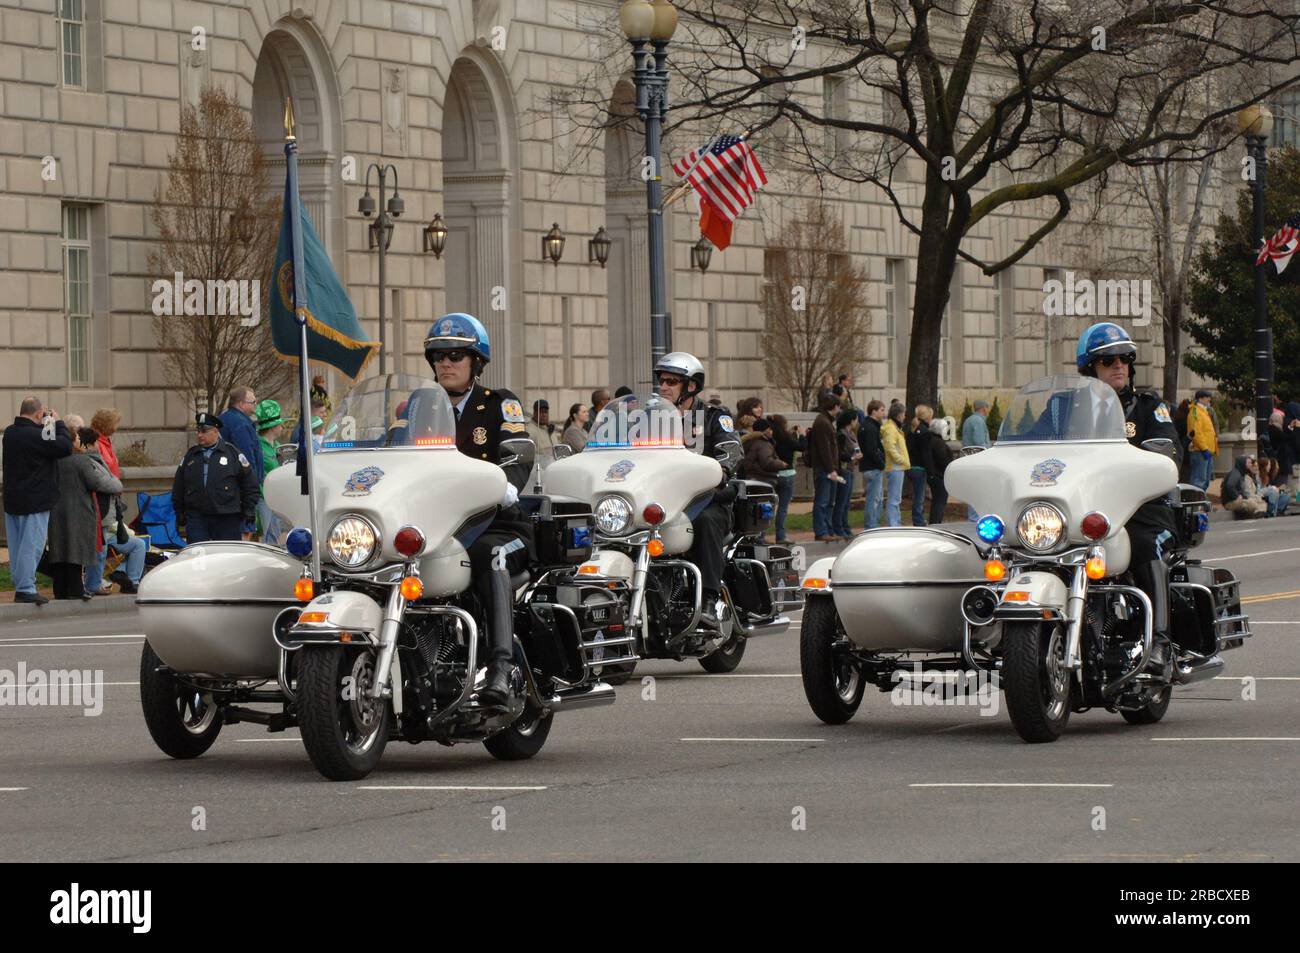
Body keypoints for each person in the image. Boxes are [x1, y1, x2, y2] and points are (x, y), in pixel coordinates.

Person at [424, 312, 535, 707]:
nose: (446, 363)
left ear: (477, 362)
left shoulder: (498, 403)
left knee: (491, 559)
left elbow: (519, 452)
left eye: (456, 354)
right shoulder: (418, 409)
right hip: (438, 528)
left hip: (495, 525)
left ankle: (501, 668)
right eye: (438, 355)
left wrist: (506, 484)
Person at [1076, 322, 1181, 676]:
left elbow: (1169, 454)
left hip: (1142, 510)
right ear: (1091, 369)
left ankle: (1161, 643)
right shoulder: (1067, 412)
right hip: (1084, 511)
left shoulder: (1148, 408)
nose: (1118, 365)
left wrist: (1158, 460)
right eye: (1108, 361)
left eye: (1124, 358)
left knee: (1145, 544)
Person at [653, 351, 742, 630]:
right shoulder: (648, 420)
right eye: (662, 381)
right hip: (662, 502)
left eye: (671, 381)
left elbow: (730, 449)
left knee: (705, 522)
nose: (663, 386)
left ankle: (710, 602)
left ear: (690, 386)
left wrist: (723, 469)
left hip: (706, 500)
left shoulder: (714, 416)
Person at [2, 397, 73, 605]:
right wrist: (57, 422)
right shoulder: (36, 435)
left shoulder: (10, 433)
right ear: (37, 414)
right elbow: (63, 447)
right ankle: (25, 588)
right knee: (31, 546)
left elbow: (48, 444)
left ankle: (21, 585)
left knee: (16, 546)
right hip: (36, 499)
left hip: (13, 499)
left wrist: (46, 423)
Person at [46, 427, 123, 600]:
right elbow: (94, 483)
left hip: (56, 511)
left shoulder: (53, 461)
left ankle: (60, 590)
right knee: (75, 551)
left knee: (59, 551)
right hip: (78, 512)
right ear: (73, 441)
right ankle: (75, 590)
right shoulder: (81, 461)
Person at [172, 412, 261, 544]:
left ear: (215, 431)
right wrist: (179, 511)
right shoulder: (191, 456)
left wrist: (249, 509)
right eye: (198, 431)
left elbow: (250, 483)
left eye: (204, 431)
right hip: (198, 518)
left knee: (226, 557)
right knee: (198, 557)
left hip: (226, 517)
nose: (199, 435)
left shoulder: (232, 453)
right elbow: (179, 485)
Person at [82, 429, 146, 596]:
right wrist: (115, 482)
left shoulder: (98, 460)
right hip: (99, 519)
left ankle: (129, 580)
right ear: (87, 445)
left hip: (110, 521)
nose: (98, 445)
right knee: (100, 552)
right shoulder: (88, 462)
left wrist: (114, 482)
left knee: (138, 545)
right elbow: (112, 484)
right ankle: (93, 585)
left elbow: (113, 481)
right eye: (95, 442)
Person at [219, 386, 263, 537]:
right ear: (240, 403)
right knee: (245, 531)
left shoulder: (223, 419)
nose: (255, 405)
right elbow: (247, 458)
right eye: (253, 402)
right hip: (242, 488)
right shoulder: (241, 424)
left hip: (227, 487)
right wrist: (253, 486)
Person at [808, 393, 841, 542]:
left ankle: (827, 529)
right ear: (834, 407)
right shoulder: (823, 422)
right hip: (824, 468)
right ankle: (821, 531)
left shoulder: (825, 421)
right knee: (822, 501)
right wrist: (831, 469)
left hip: (827, 468)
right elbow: (824, 449)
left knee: (828, 501)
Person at [916, 408, 953, 525]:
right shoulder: (938, 443)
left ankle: (935, 521)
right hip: (939, 475)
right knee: (939, 500)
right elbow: (943, 460)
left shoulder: (932, 440)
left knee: (938, 500)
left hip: (935, 474)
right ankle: (936, 522)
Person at [770, 415, 804, 544]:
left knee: (771, 505)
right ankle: (780, 535)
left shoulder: (772, 439)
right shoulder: (787, 439)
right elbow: (801, 446)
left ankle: (762, 535)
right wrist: (801, 434)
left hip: (774, 474)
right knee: (783, 507)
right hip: (787, 473)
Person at [255, 399, 285, 545]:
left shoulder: (279, 446)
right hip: (263, 499)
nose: (282, 426)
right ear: (272, 427)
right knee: (264, 538)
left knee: (275, 537)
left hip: (277, 499)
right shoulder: (258, 446)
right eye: (280, 423)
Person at [831, 408, 862, 540]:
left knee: (847, 500)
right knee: (841, 500)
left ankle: (845, 525)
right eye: (856, 419)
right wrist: (852, 457)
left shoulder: (852, 434)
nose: (857, 422)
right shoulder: (842, 435)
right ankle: (838, 526)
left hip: (850, 469)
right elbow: (840, 454)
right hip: (843, 470)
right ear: (851, 420)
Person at [857, 400, 886, 530]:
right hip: (873, 467)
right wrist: (881, 463)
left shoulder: (867, 426)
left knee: (876, 498)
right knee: (874, 499)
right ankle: (871, 526)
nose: (883, 413)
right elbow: (871, 449)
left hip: (869, 466)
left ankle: (874, 524)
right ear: (873, 411)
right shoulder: (870, 427)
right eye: (881, 410)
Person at [961, 399, 991, 520]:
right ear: (984, 408)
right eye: (987, 408)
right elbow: (980, 443)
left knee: (973, 488)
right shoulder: (978, 421)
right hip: (978, 460)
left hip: (969, 459)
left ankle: (973, 516)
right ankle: (975, 517)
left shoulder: (969, 420)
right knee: (979, 489)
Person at [881, 402, 911, 528]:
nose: (904, 416)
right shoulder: (891, 428)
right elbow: (890, 447)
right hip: (895, 467)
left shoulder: (893, 427)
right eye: (903, 414)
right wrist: (901, 460)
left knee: (896, 498)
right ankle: (893, 524)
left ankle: (896, 523)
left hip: (897, 467)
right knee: (894, 499)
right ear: (899, 415)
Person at [741, 417, 786, 492]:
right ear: (765, 430)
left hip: (752, 477)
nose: (772, 431)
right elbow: (767, 462)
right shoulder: (762, 443)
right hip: (763, 478)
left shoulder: (750, 440)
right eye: (770, 429)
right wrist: (782, 464)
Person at [1186, 389, 1218, 492]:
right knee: (1198, 480)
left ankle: (1200, 500)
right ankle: (1195, 501)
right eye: (1207, 397)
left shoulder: (1204, 412)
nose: (1209, 400)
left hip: (1207, 450)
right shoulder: (1195, 412)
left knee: (1205, 479)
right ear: (1200, 399)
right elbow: (1197, 433)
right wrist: (1204, 448)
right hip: (1200, 450)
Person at [905, 410, 929, 526]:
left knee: (917, 494)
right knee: (919, 495)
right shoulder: (924, 432)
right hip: (919, 467)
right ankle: (918, 519)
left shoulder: (911, 432)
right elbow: (925, 453)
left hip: (910, 466)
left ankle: (918, 517)